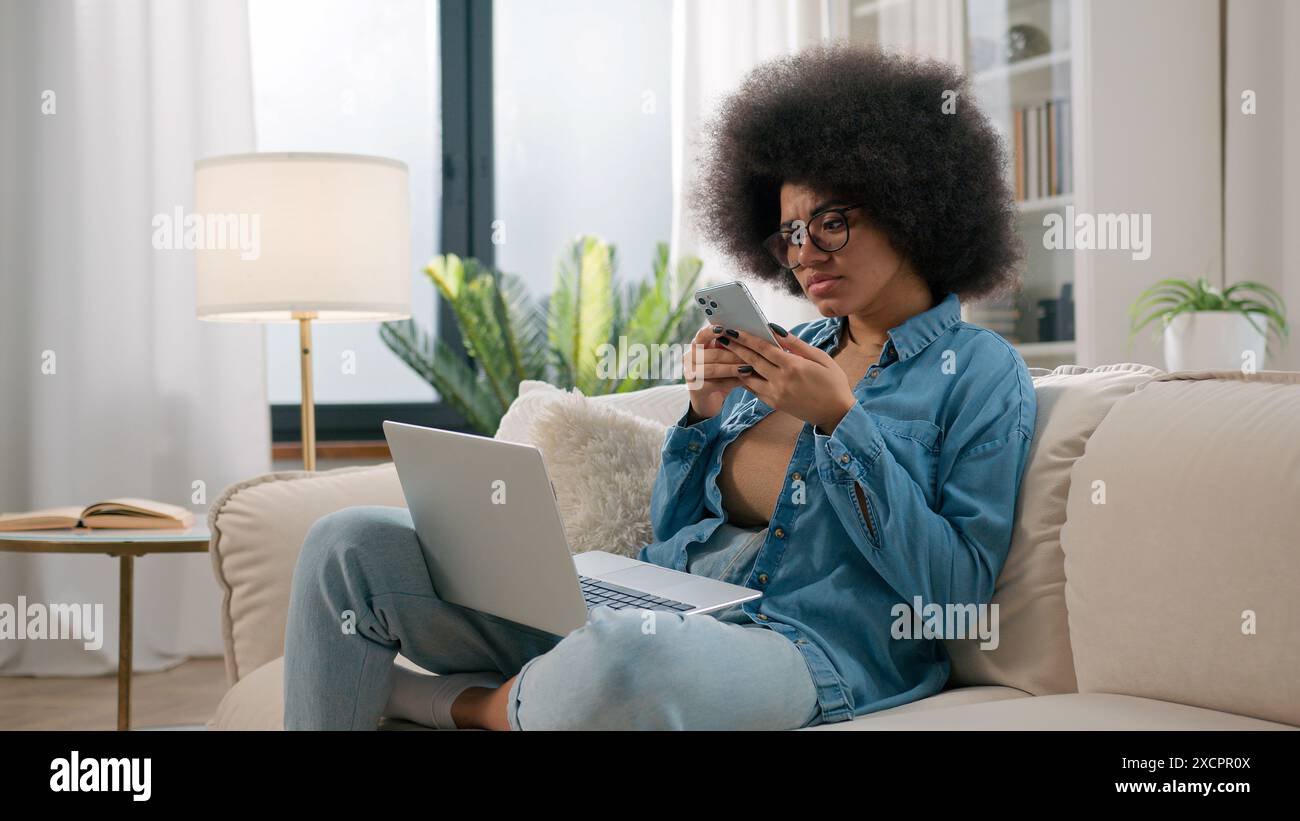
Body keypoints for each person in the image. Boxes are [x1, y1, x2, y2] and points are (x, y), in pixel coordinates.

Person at [282, 42, 1036, 731]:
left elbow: (955, 597)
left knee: (624, 662)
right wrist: (704, 415)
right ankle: (541, 687)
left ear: (914, 206)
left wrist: (844, 426)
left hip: (801, 649)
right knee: (347, 543)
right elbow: (669, 533)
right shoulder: (786, 349)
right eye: (791, 232)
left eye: (830, 222)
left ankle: (468, 704)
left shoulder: (980, 374)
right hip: (661, 600)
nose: (805, 253)